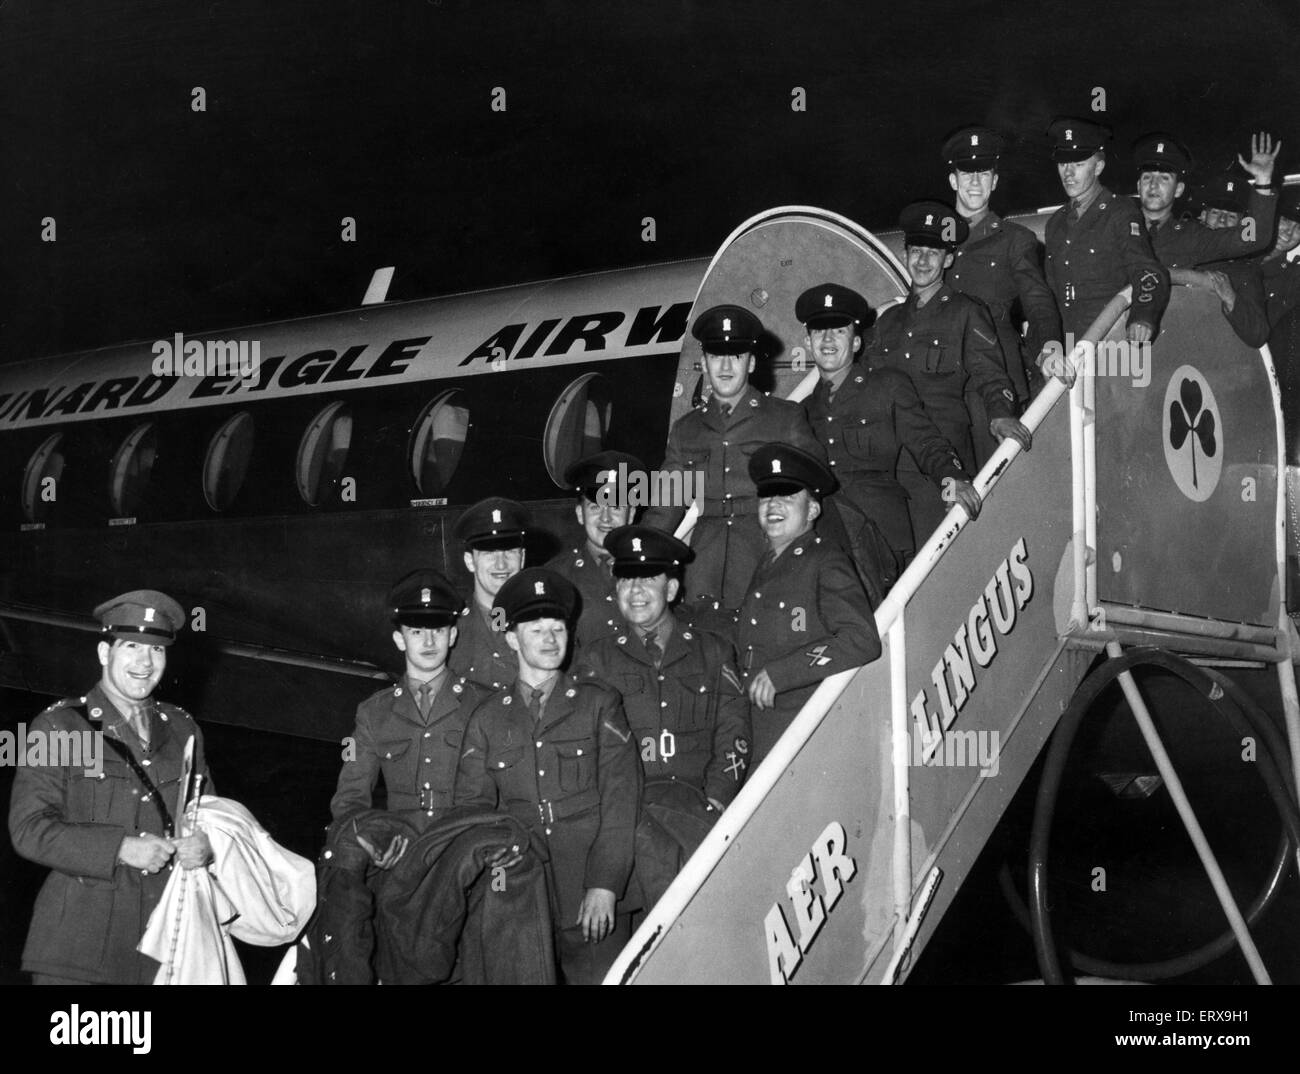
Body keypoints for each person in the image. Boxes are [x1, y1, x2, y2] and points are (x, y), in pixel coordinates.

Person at [8, 590, 214, 985]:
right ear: (105, 653)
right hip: (79, 952)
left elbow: (207, 815)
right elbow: (28, 829)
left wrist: (206, 845)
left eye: (156, 650)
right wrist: (120, 847)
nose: (145, 662)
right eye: (132, 646)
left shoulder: (183, 730)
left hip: (169, 951)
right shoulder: (61, 728)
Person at [454, 568, 640, 985]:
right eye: (537, 630)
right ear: (512, 639)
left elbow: (621, 800)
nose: (551, 639)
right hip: (522, 895)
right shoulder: (487, 718)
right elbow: (473, 811)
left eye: (558, 628)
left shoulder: (599, 704)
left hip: (590, 893)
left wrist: (605, 884)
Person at [642, 304, 825, 613]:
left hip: (766, 555)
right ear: (703, 363)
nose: (725, 366)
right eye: (716, 356)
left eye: (736, 356)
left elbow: (814, 490)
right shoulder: (686, 430)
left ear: (751, 363)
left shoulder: (784, 418)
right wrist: (638, 556)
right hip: (704, 566)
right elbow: (665, 505)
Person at [866, 200, 1029, 542]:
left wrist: (1000, 415)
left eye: (934, 253)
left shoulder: (965, 312)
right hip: (894, 463)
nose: (923, 261)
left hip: (944, 458)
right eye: (916, 251)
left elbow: (991, 375)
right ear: (905, 254)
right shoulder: (888, 322)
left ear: (949, 259)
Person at [797, 282, 980, 587]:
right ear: (808, 341)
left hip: (881, 536)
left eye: (839, 331)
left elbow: (927, 443)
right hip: (827, 541)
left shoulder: (887, 386)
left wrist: (952, 481)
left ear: (856, 343)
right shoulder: (801, 411)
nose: (827, 340)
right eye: (819, 331)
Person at [575, 525, 751, 810]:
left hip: (699, 804)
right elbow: (584, 743)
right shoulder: (596, 660)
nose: (635, 591)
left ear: (670, 589)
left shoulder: (713, 652)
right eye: (626, 579)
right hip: (627, 810)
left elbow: (734, 732)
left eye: (647, 579)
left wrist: (717, 797)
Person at [331, 569, 489, 867]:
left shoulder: (481, 704)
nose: (429, 642)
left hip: (462, 849)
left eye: (438, 631)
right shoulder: (373, 712)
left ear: (452, 635)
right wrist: (371, 839)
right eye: (417, 632)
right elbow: (350, 797)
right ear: (399, 639)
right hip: (398, 849)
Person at [735, 446, 881, 766]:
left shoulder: (825, 560)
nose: (773, 504)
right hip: (758, 727)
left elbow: (860, 638)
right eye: (766, 496)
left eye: (786, 496)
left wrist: (782, 673)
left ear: (813, 510)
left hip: (798, 729)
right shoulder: (766, 564)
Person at [943, 125, 1063, 409]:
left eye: (983, 174)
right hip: (943, 382)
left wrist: (1051, 350)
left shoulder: (1015, 239)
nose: (975, 182)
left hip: (998, 378)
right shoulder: (933, 239)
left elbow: (1039, 302)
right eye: (966, 173)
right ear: (953, 180)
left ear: (994, 181)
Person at [1043, 117, 1170, 343]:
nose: (1068, 173)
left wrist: (1142, 317)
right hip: (1069, 344)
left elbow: (1146, 269)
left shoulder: (1120, 212)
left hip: (1109, 342)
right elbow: (1050, 294)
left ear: (1099, 167)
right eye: (1063, 164)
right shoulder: (1055, 223)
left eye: (1078, 164)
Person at [545, 450, 642, 655]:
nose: (605, 518)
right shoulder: (555, 576)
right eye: (595, 507)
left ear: (631, 513)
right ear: (580, 514)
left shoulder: (652, 571)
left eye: (615, 507)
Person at [1135, 131, 1279, 269]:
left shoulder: (1192, 238)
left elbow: (1253, 238)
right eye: (1147, 177)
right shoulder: (1116, 222)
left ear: (1178, 189)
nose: (1153, 185)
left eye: (1164, 178)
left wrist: (1263, 181)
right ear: (1139, 186)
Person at [447, 496, 530, 690]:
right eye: (489, 553)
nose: (501, 564)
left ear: (523, 557)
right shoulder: (448, 626)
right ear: (470, 561)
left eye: (509, 551)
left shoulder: (545, 624)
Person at [1184, 175, 1272, 348]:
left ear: (1241, 224)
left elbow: (1258, 334)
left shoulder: (1245, 272)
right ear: (1203, 215)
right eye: (1215, 213)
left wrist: (1231, 298)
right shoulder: (1180, 246)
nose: (1222, 220)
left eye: (1231, 216)